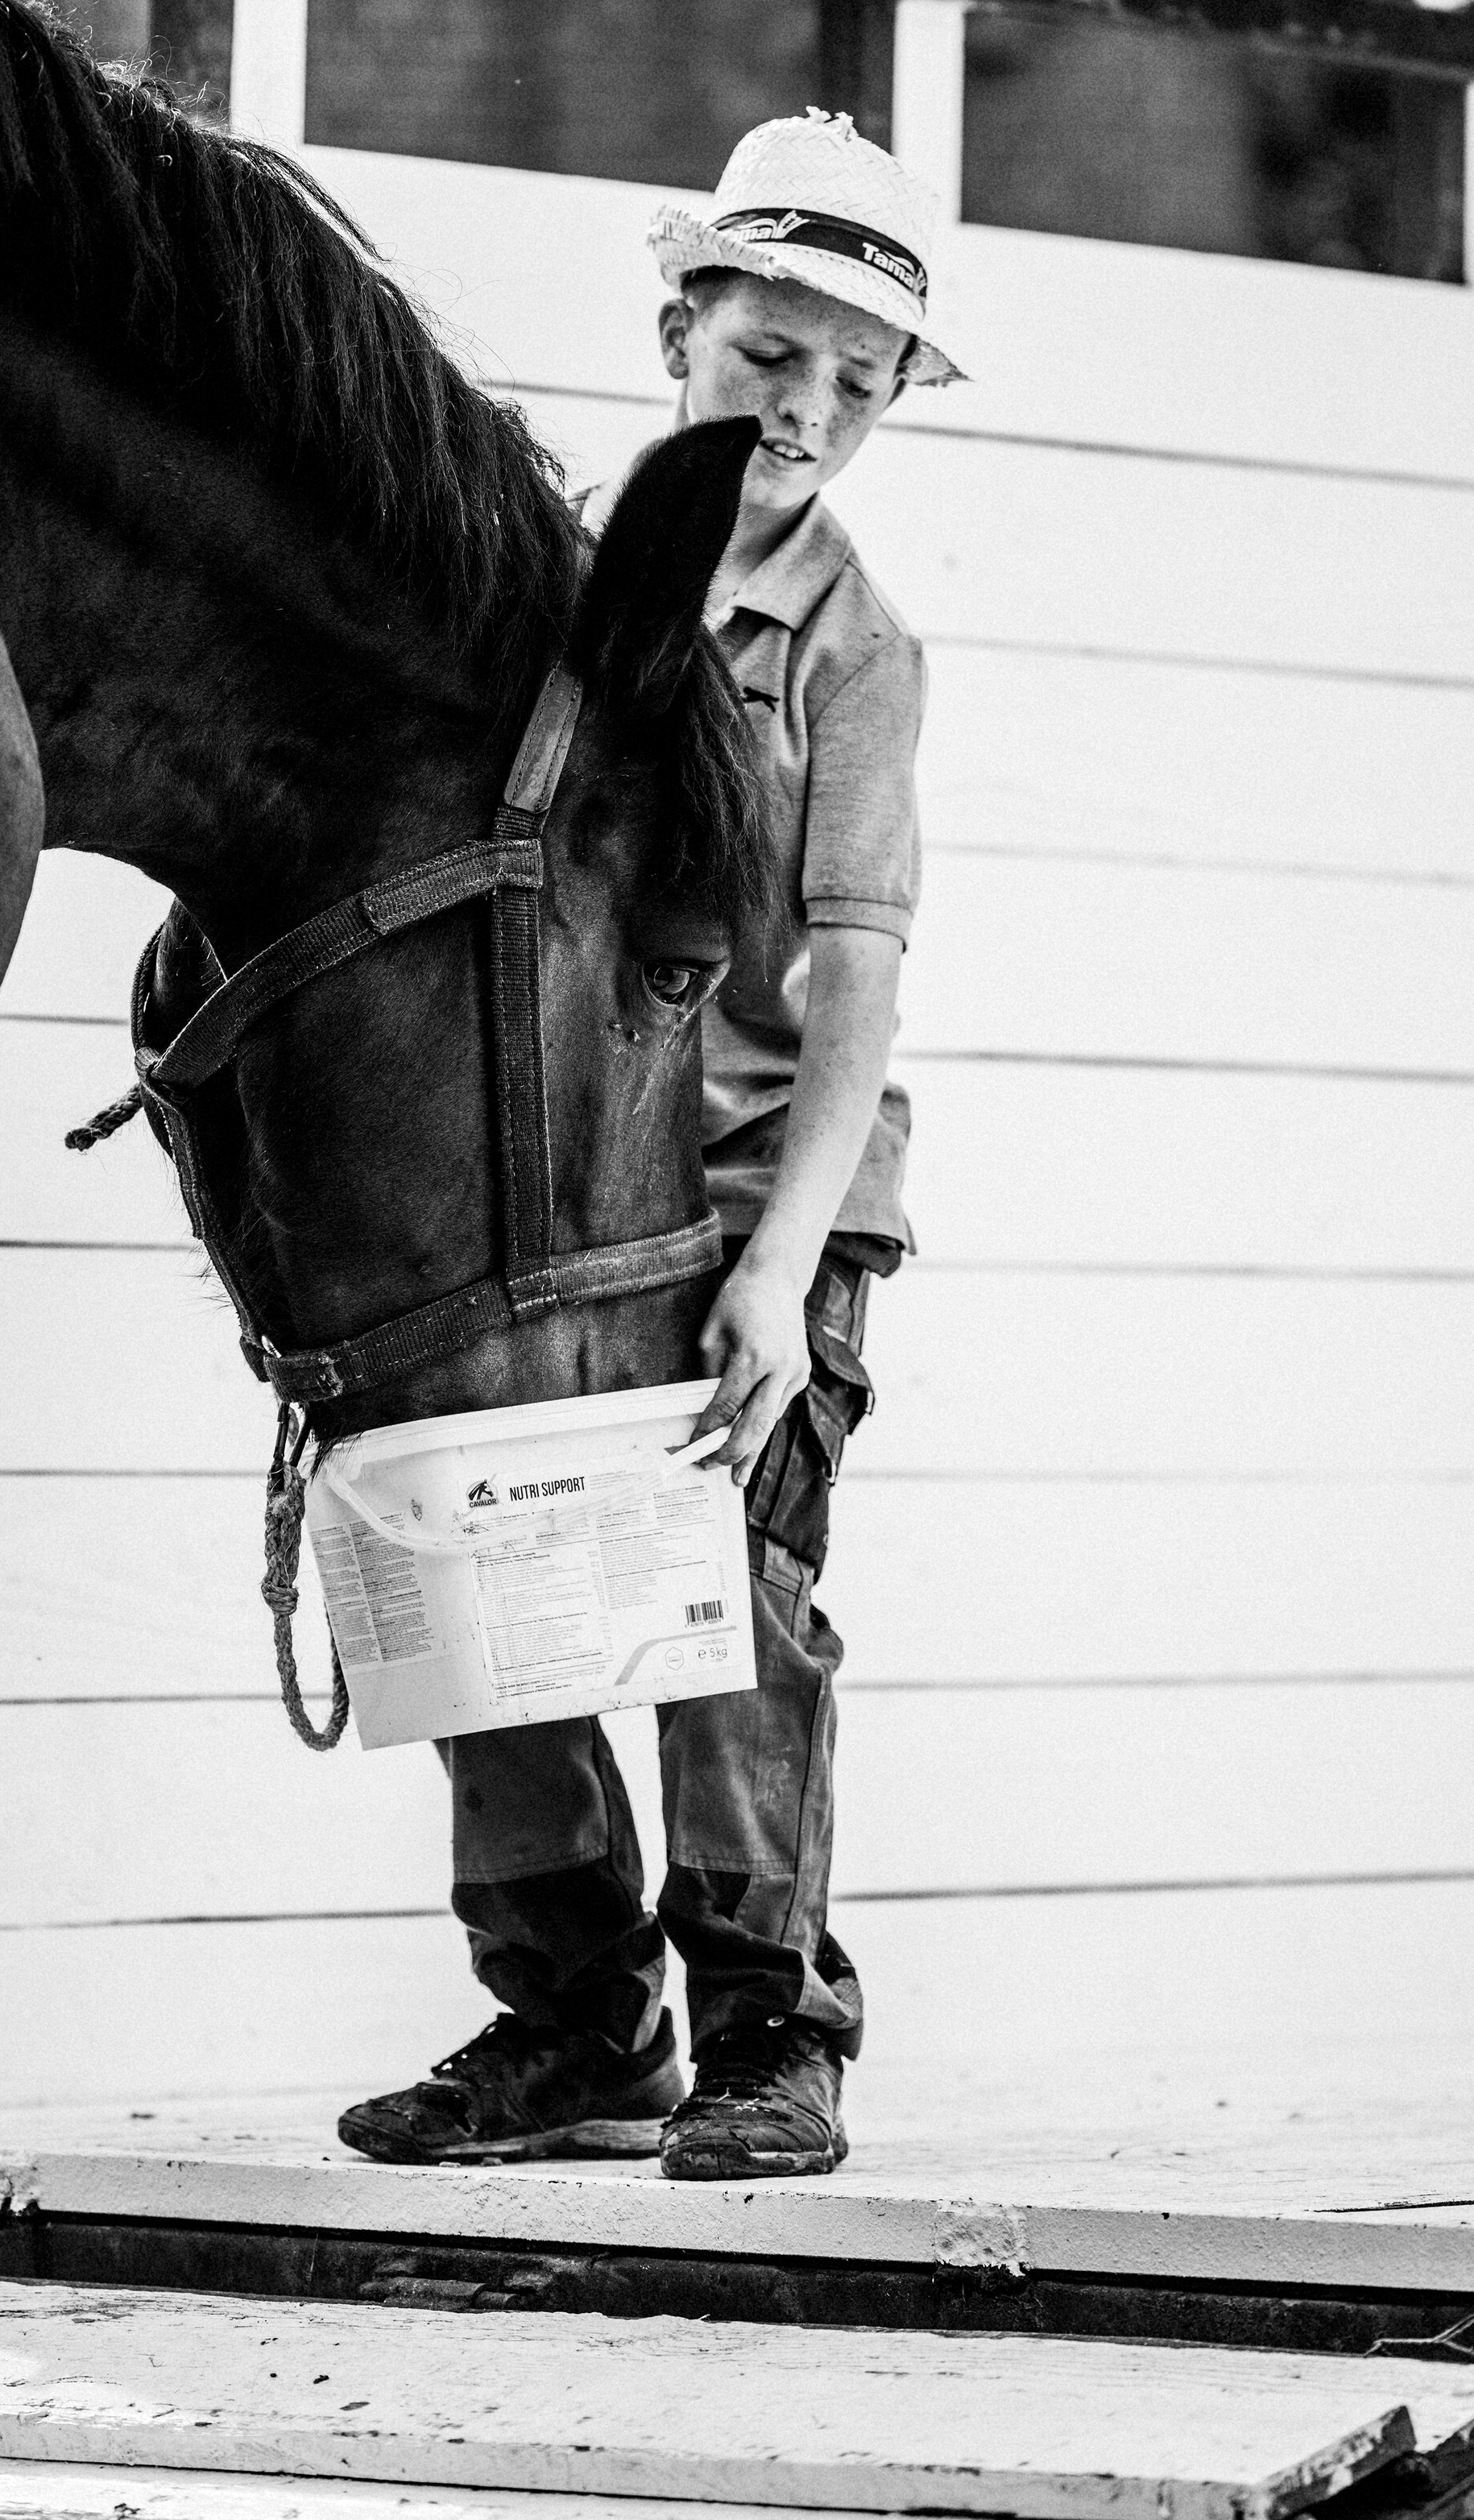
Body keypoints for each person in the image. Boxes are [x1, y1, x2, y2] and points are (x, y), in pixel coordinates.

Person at [338, 110, 963, 2181]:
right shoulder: (530, 572)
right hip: (533, 1173)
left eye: (853, 386)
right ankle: (573, 2017)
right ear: (681, 322)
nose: (804, 410)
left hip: (744, 1191)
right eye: (769, 354)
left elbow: (856, 977)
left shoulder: (855, 653)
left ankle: (772, 2025)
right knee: (479, 1565)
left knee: (732, 1589)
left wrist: (783, 1268)